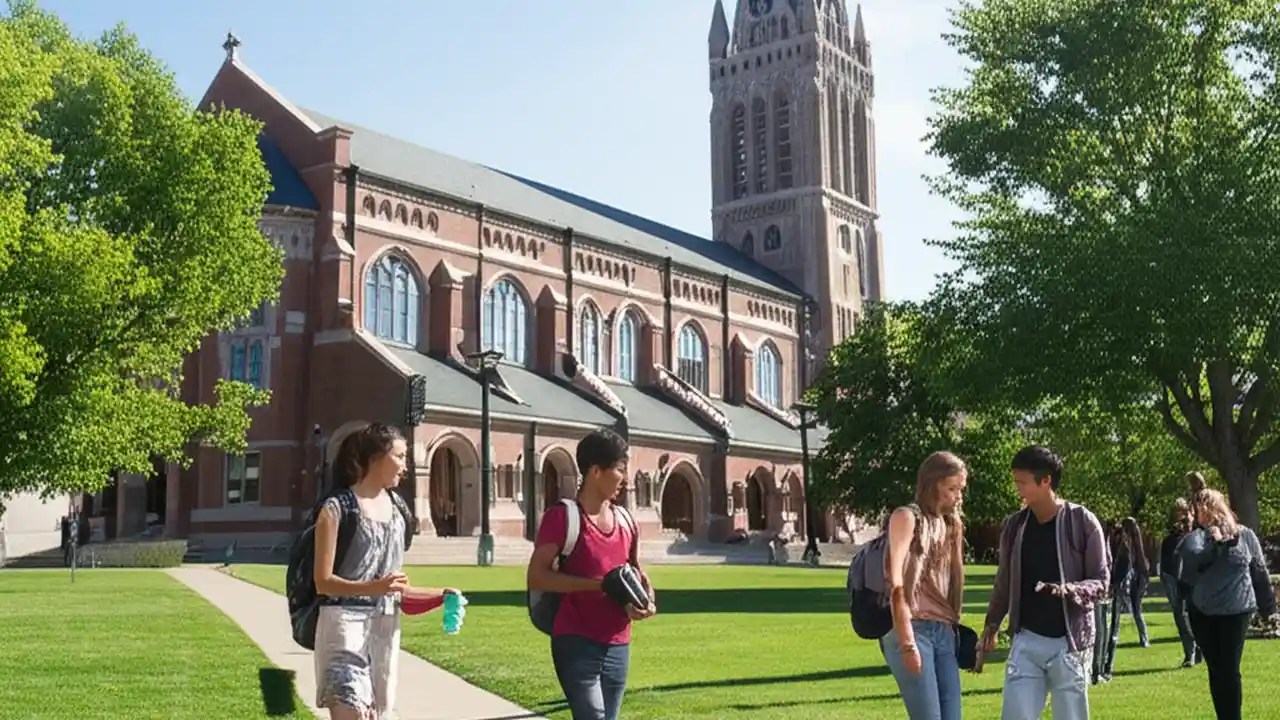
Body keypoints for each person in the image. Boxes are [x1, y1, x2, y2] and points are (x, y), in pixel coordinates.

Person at [312, 423, 458, 720]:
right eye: (400, 456)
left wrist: (441, 595)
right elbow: (323, 582)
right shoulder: (336, 509)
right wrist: (373, 588)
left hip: (384, 633)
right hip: (343, 632)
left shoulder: (400, 512)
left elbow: (394, 587)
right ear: (376, 457)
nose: (405, 466)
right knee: (352, 713)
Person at [527, 427, 656, 720]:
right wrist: (599, 586)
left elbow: (635, 571)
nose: (625, 478)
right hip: (575, 638)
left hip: (618, 642)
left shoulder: (625, 520)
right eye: (620, 469)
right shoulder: (563, 517)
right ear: (596, 471)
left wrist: (645, 597)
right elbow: (537, 576)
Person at [982, 446, 1109, 720]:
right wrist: (992, 623)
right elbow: (1004, 580)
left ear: (1046, 481)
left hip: (1069, 642)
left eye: (1022, 483)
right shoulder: (1015, 526)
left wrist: (1069, 590)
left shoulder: (1082, 522)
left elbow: (1101, 581)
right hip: (1026, 640)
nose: (1018, 489)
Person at [880, 451, 969, 720]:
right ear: (933, 485)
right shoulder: (906, 517)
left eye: (961, 489)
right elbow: (895, 581)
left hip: (943, 629)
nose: (958, 496)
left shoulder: (952, 524)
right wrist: (907, 642)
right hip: (911, 627)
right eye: (952, 489)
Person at [1178, 487, 1276, 720]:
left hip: (1237, 610)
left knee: (1229, 670)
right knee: (1216, 669)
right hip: (1204, 613)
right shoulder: (1195, 540)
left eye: (1206, 506)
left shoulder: (1245, 536)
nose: (1204, 513)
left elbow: (1259, 572)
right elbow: (1192, 568)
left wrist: (1269, 609)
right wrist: (1215, 545)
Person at [1158, 499, 1199, 667]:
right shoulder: (1171, 536)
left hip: (1190, 576)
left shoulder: (1194, 532)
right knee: (1180, 615)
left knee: (1195, 615)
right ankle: (1189, 653)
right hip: (1172, 575)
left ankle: (1198, 651)